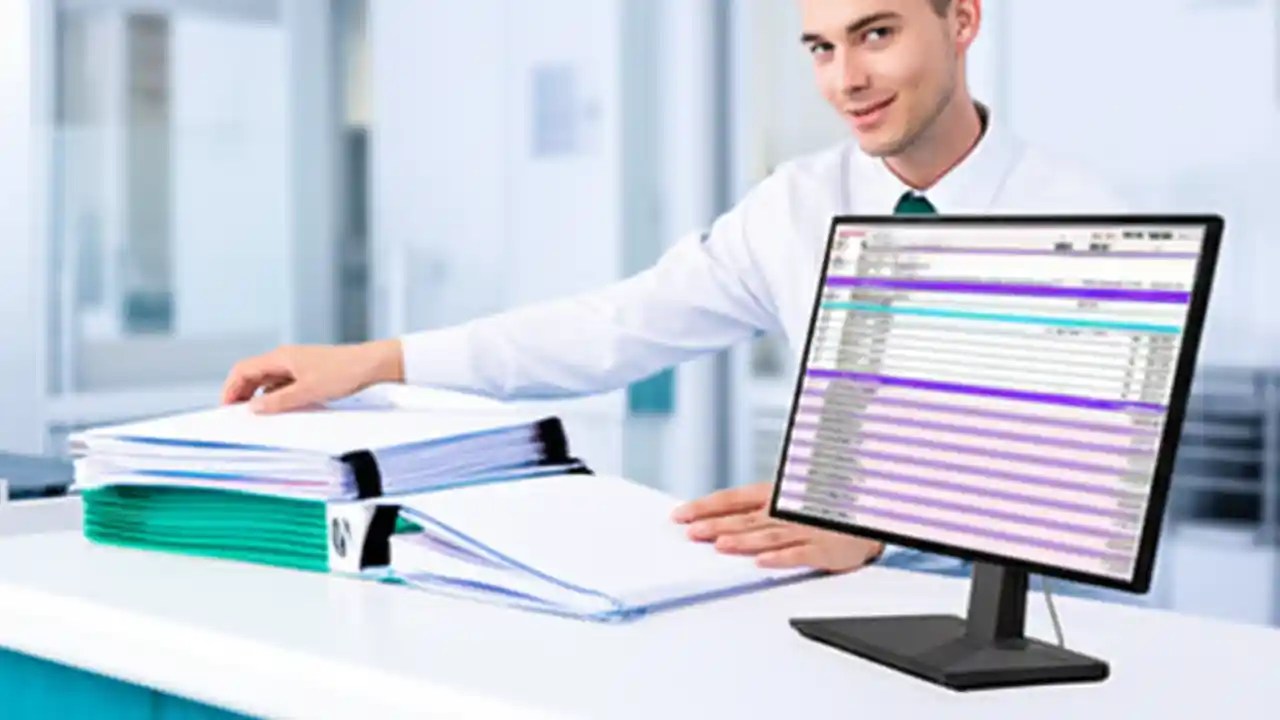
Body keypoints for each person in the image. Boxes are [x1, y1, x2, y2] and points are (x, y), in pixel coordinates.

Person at [222, 0, 1124, 575]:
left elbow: (1090, 474)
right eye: (819, 47)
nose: (845, 80)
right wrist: (375, 360)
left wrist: (882, 526)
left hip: (1034, 636)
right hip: (829, 619)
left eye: (876, 34)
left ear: (962, 19)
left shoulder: (1083, 217)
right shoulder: (798, 206)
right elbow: (612, 327)